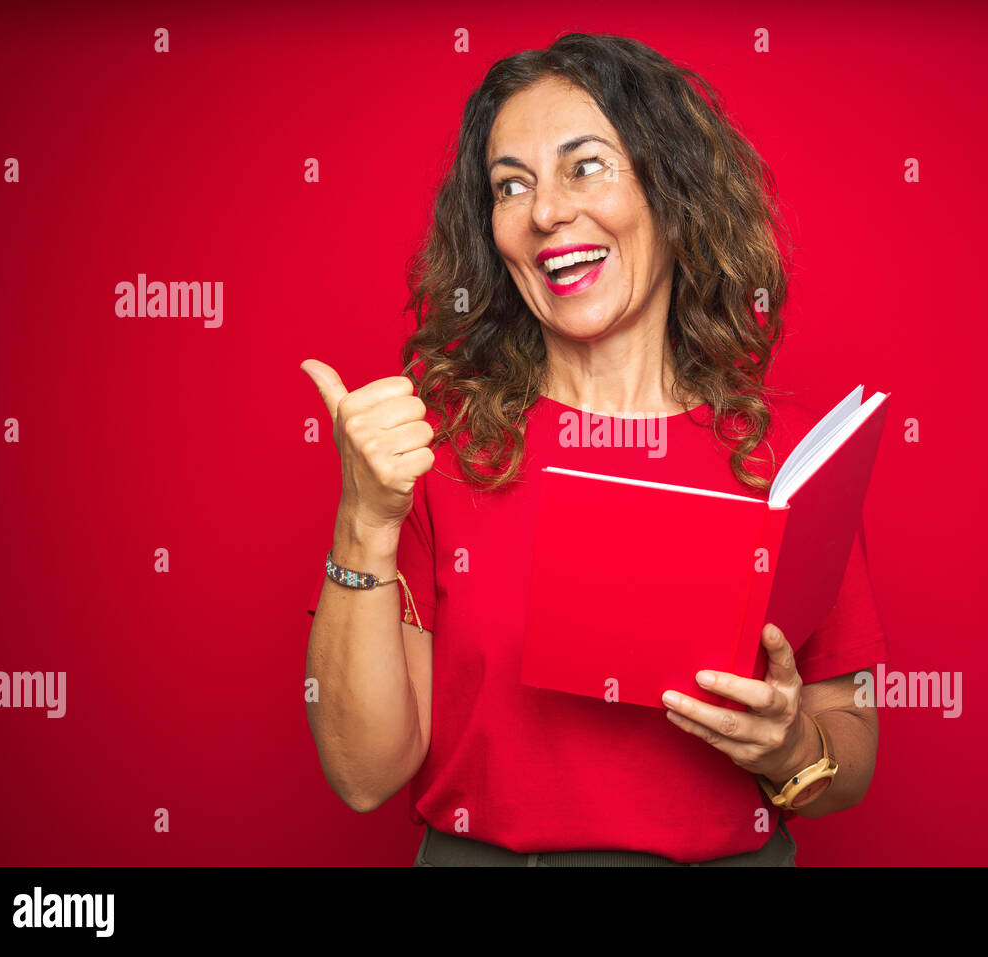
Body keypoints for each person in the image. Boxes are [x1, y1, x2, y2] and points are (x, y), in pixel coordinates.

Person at [301, 32, 889, 867]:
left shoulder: (785, 454)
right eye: (512, 185)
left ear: (670, 191)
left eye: (586, 167)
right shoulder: (432, 449)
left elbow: (853, 746)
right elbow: (364, 775)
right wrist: (363, 519)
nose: (546, 212)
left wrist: (791, 747)